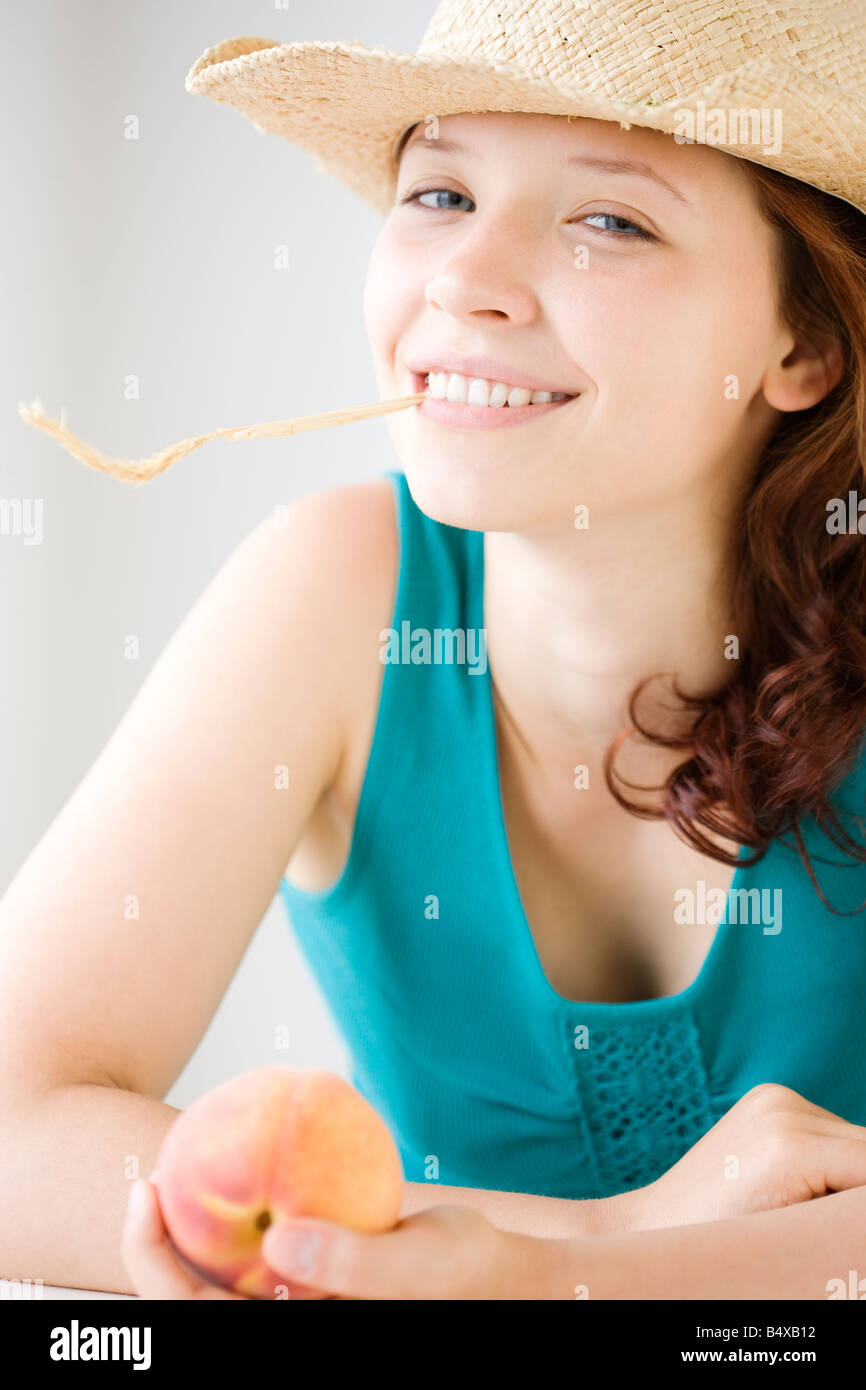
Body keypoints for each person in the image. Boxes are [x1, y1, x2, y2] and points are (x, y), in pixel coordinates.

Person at [4, 0, 866, 1300]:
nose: (463, 277)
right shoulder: (335, 592)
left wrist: (527, 1277)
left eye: (608, 219)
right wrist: (597, 1245)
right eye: (440, 191)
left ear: (803, 341)